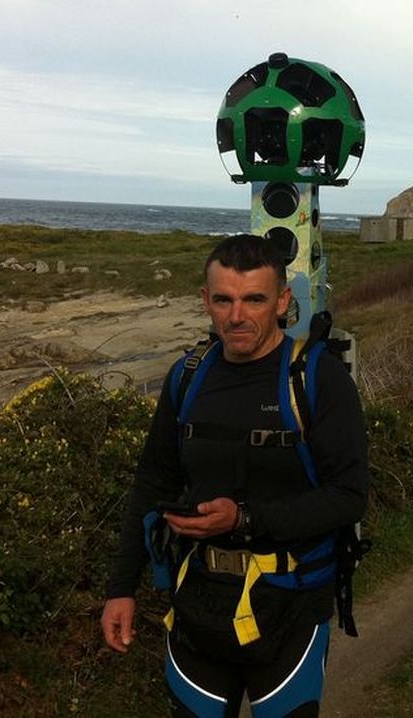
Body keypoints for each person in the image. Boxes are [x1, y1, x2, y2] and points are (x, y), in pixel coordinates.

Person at [101, 233, 369, 717]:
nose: (236, 316)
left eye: (254, 299)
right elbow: (152, 483)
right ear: (205, 300)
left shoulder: (317, 379)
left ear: (283, 301)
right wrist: (120, 588)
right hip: (198, 603)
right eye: (223, 300)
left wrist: (244, 520)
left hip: (291, 608)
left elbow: (348, 497)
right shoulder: (188, 375)